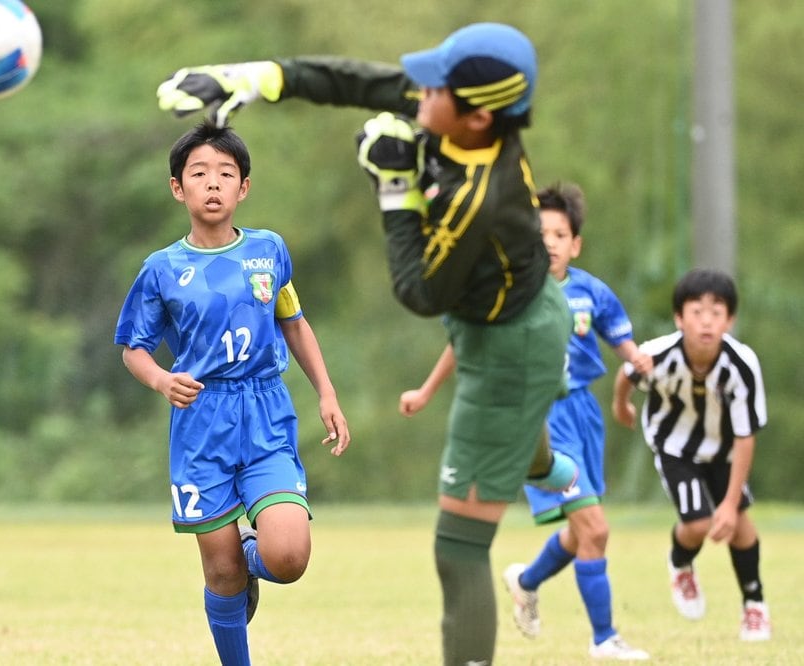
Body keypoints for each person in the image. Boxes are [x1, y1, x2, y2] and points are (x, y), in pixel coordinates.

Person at [157, 22, 578, 665]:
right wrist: (252, 77)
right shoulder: (459, 116)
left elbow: (420, 292)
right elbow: (351, 80)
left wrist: (394, 188)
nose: (418, 90)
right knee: (518, 444)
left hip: (508, 348)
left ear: (477, 116)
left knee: (459, 546)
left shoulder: (482, 199)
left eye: (434, 85)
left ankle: (536, 462)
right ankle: (541, 460)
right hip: (505, 318)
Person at [114, 122, 350, 666]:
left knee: (288, 556)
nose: (212, 183)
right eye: (199, 174)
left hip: (265, 409)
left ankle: (253, 550)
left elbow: (293, 321)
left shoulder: (269, 251)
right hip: (201, 420)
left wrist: (327, 393)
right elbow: (134, 347)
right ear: (178, 188)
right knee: (220, 575)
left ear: (244, 187)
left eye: (226, 173)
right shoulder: (161, 269)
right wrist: (161, 379)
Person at [400, 182, 653, 660]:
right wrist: (426, 390)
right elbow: (461, 342)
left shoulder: (591, 291)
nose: (550, 241)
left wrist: (637, 362)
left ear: (575, 244)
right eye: (541, 232)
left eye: (560, 233)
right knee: (595, 528)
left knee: (582, 533)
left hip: (583, 413)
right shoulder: (509, 293)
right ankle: (604, 639)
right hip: (538, 413)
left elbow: (623, 341)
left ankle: (526, 579)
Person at [612, 268, 771, 642]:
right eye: (696, 311)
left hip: (725, 451)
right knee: (699, 524)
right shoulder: (658, 355)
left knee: (741, 528)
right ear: (679, 318)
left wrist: (731, 504)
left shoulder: (742, 366)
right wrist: (621, 405)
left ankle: (755, 604)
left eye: (716, 312)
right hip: (674, 448)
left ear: (730, 320)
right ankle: (680, 562)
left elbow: (746, 437)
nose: (706, 321)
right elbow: (627, 374)